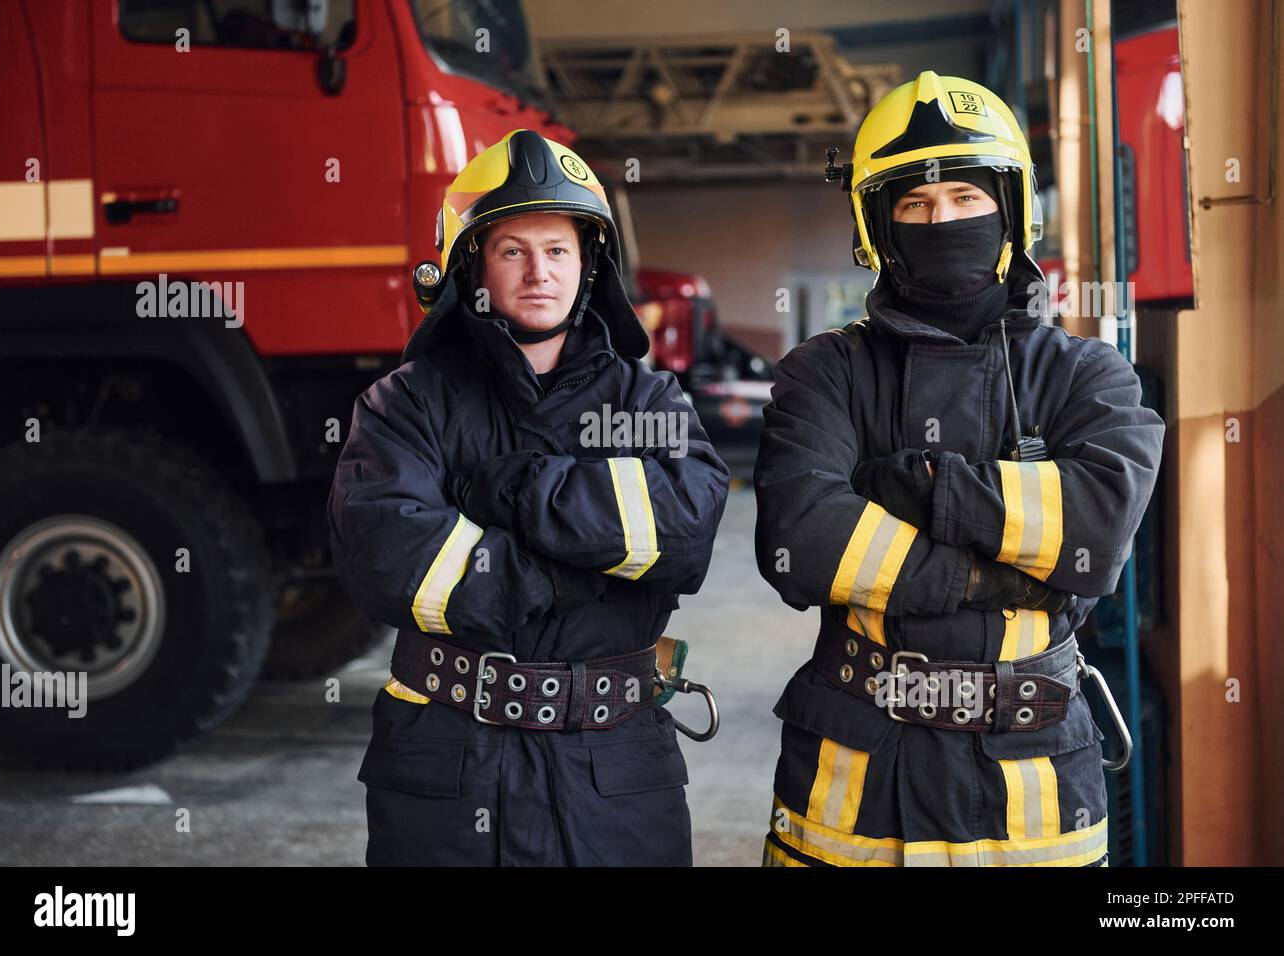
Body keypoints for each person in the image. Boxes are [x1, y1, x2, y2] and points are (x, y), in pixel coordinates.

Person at [754, 72, 1164, 867]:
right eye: (917, 205)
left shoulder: (1089, 373)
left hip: (1036, 780)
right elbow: (801, 544)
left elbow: (1100, 529)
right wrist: (1005, 570)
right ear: (878, 225)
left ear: (1010, 210)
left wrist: (928, 489)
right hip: (854, 778)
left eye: (966, 200)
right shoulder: (824, 373)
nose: (943, 221)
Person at [329, 129, 729, 866]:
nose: (538, 272)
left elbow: (688, 530)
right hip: (448, 767)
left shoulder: (649, 399)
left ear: (589, 267)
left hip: (616, 774)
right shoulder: (406, 405)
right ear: (472, 266)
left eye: (558, 249)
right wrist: (581, 568)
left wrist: (515, 489)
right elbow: (389, 562)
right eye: (512, 250)